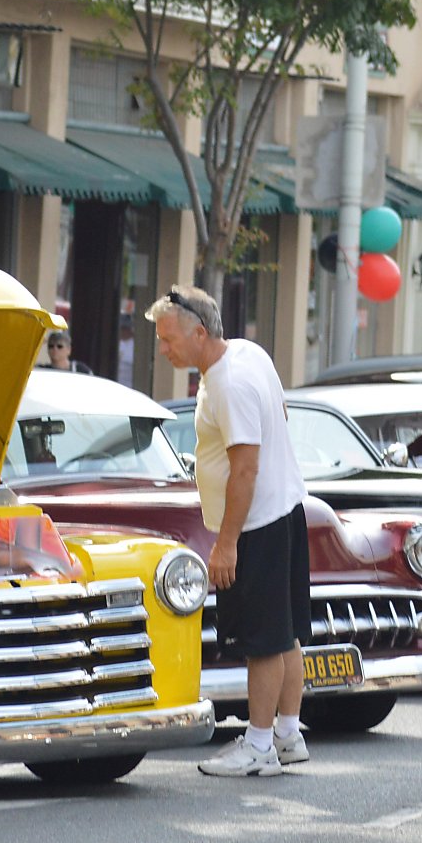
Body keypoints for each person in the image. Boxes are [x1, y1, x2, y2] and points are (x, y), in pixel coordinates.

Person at [147, 286, 312, 775]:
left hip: (257, 522)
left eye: (169, 338)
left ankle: (259, 746)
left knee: (262, 641)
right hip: (286, 510)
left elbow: (244, 469)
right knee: (283, 635)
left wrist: (226, 543)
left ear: (200, 333)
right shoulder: (249, 353)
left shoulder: (228, 382)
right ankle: (287, 733)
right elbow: (277, 417)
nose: (164, 349)